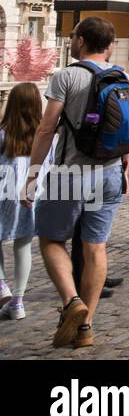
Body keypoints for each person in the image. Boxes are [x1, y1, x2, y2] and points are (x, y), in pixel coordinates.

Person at [23, 17, 129, 350]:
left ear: (81, 41)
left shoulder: (66, 75)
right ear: (110, 45)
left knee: (51, 240)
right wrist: (124, 169)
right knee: (95, 247)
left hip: (71, 172)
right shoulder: (124, 76)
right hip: (111, 171)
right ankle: (85, 327)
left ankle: (72, 301)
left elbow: (46, 129)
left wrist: (32, 175)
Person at [0, 83, 44, 321]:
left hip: (4, 194)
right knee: (23, 246)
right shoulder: (45, 137)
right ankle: (18, 302)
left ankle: (1, 286)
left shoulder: (3, 134)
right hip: (31, 197)